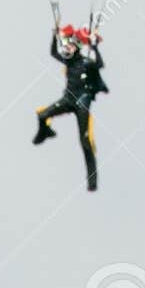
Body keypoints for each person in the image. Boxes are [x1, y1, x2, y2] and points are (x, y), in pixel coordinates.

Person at [32, 24, 108, 192]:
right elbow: (53, 52)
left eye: (72, 45)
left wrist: (94, 46)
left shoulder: (87, 63)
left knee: (85, 142)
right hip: (68, 100)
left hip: (82, 103)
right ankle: (46, 132)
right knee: (42, 115)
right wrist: (54, 36)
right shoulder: (68, 61)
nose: (68, 47)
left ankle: (92, 181)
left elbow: (100, 64)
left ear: (78, 47)